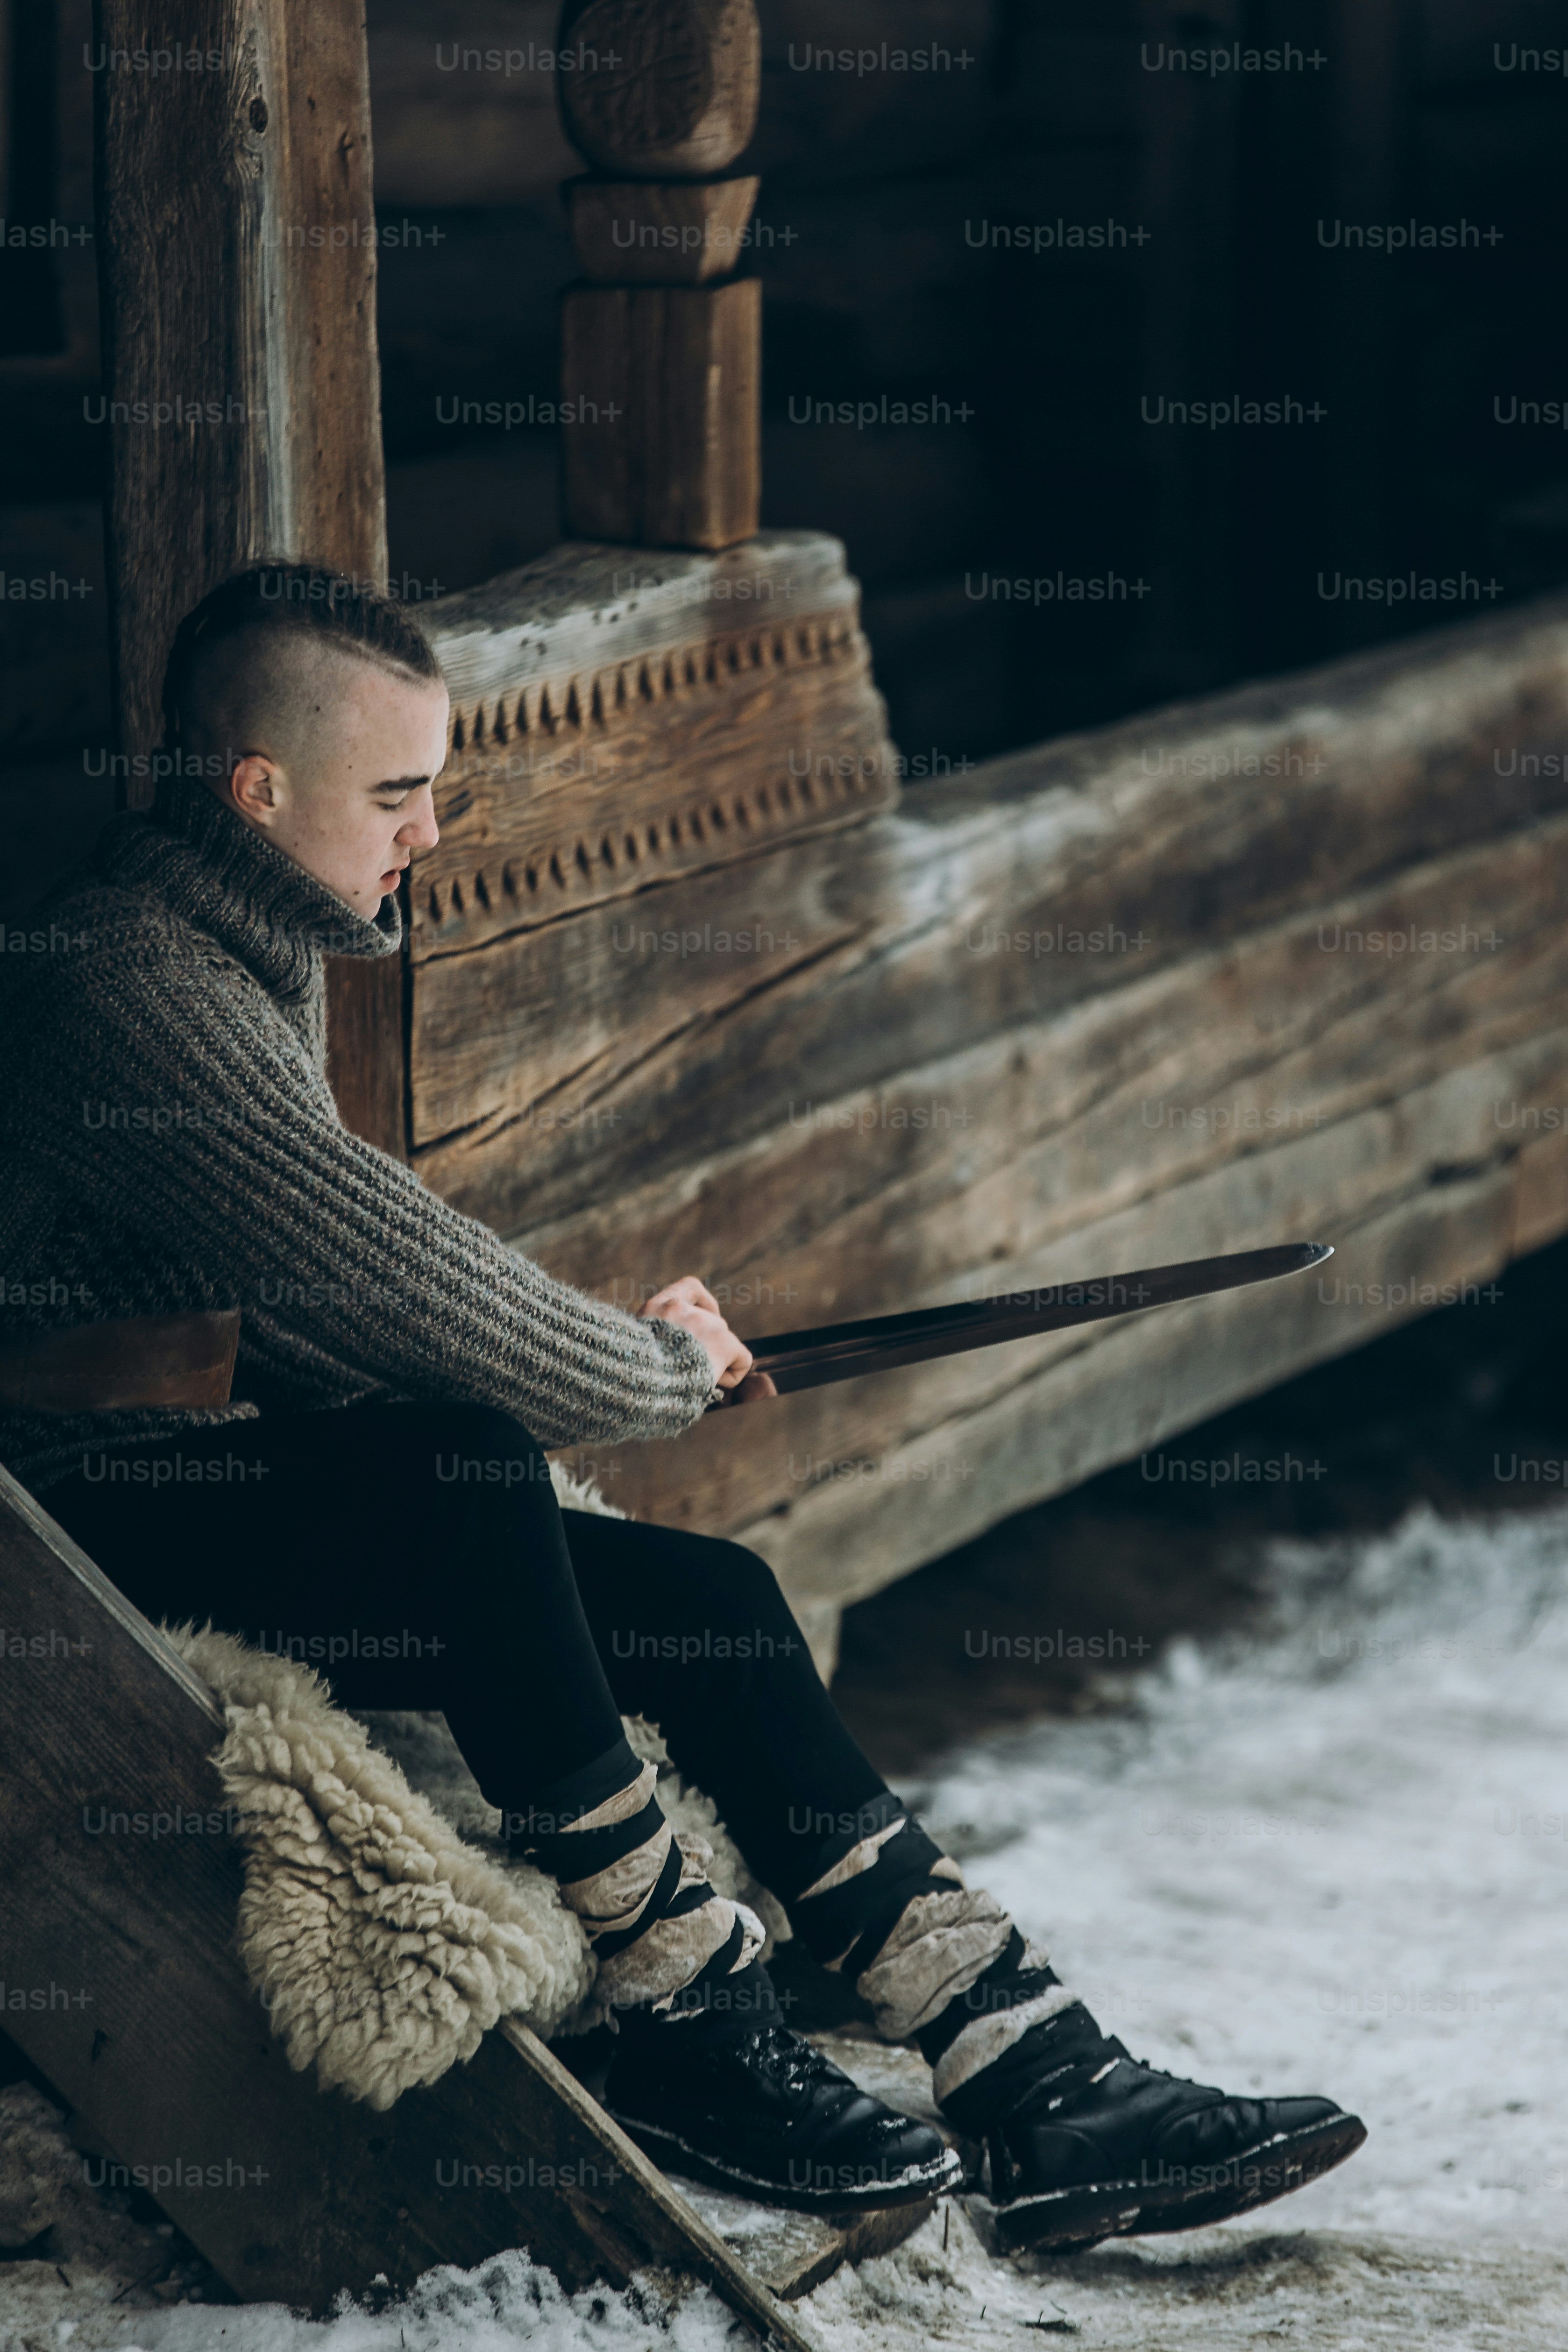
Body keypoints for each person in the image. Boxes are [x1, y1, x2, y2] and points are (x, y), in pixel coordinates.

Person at [0, 565, 1365, 2247]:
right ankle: (675, 1998)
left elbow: (298, 1326)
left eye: (442, 788)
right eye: (399, 793)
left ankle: (1028, 2066)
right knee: (461, 1461)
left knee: (711, 1597)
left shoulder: (242, 945)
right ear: (255, 788)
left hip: (206, 1469)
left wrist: (641, 1363)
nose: (430, 833)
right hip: (69, 1520)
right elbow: (383, 1276)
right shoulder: (118, 972)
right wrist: (643, 1370)